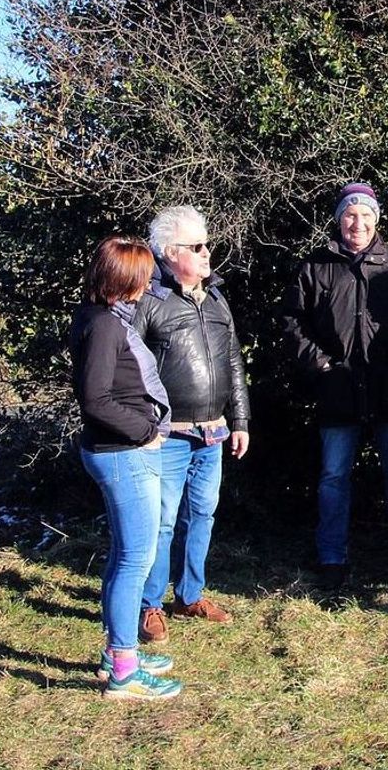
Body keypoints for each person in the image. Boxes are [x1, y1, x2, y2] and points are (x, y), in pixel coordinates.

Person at [281, 182, 388, 588]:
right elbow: (291, 323)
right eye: (350, 214)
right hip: (338, 392)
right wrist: (324, 365)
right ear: (338, 220)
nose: (358, 223)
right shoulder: (315, 266)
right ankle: (331, 556)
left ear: (376, 220)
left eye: (366, 215)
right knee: (333, 476)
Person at [69, 236, 182, 701]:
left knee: (125, 556)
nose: (149, 283)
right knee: (136, 558)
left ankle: (120, 652)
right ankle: (124, 669)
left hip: (120, 450)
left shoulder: (101, 318)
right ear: (125, 279)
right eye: (143, 275)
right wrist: (144, 431)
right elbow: (94, 398)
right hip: (122, 453)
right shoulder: (104, 326)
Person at [134, 206, 251, 645]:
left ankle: (190, 595)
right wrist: (145, 425)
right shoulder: (148, 302)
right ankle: (149, 605)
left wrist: (239, 419)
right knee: (161, 522)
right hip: (165, 436)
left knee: (202, 514)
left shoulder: (217, 299)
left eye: (207, 244)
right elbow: (129, 368)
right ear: (169, 253)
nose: (207, 253)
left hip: (214, 431)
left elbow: (234, 362)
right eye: (197, 246)